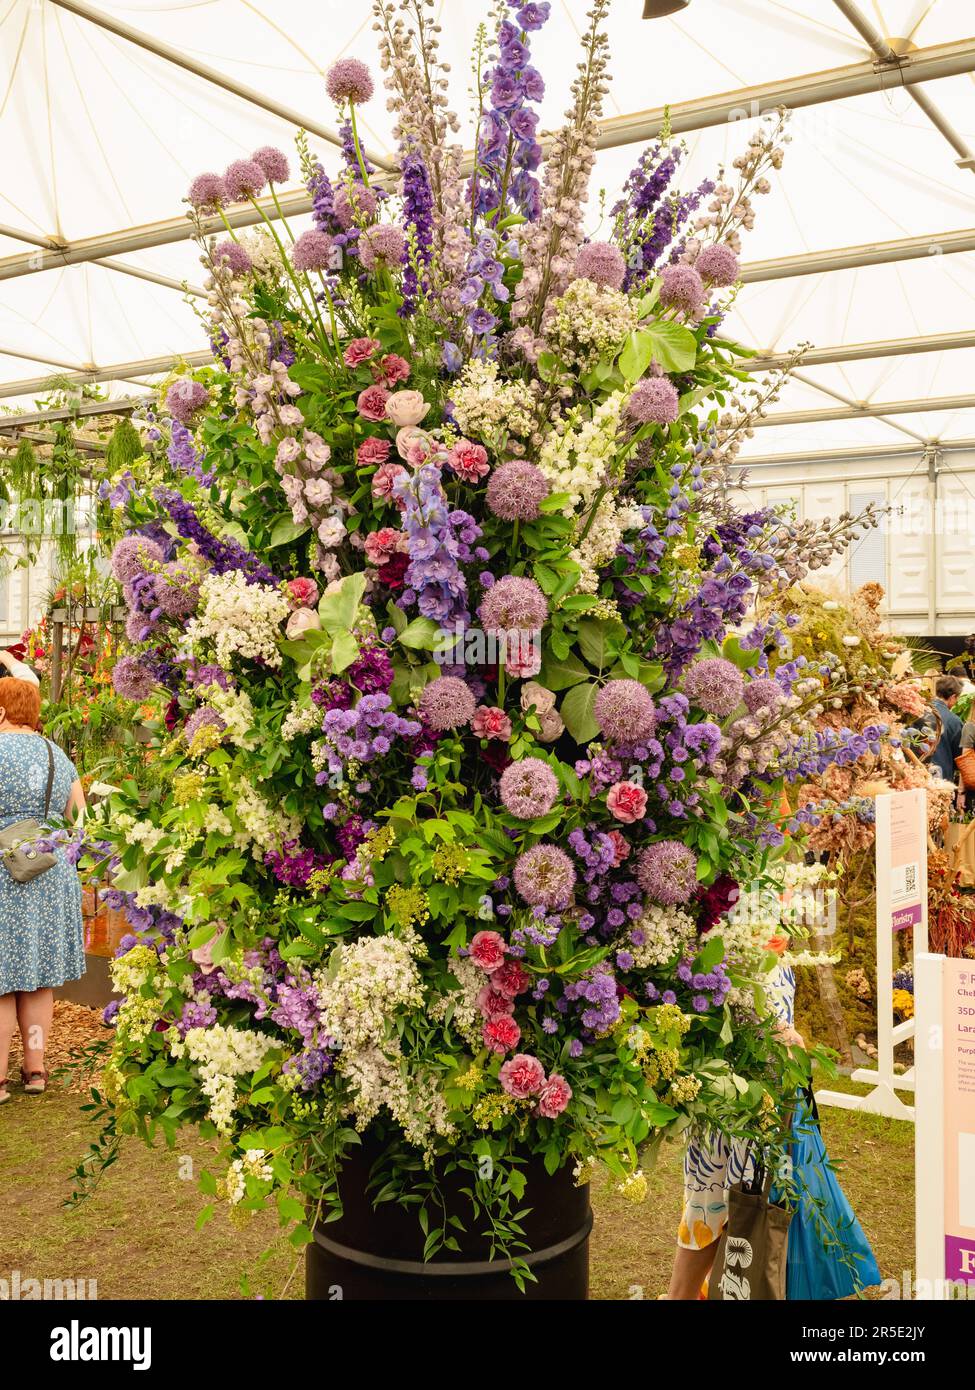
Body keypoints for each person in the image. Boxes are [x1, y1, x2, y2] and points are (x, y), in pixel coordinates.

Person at [666, 957, 800, 1299]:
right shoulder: (731, 926)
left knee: (750, 1203)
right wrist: (769, 1029)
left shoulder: (781, 934)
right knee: (710, 1201)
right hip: (728, 1080)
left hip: (765, 1086)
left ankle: (714, 1288)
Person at [0, 667, 85, 1104]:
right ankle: (34, 1071)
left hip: (1, 875)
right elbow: (80, 821)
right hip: (49, 874)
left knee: (1, 982)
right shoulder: (58, 755)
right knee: (36, 980)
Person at [930, 674, 963, 785]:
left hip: (914, 773)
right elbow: (960, 756)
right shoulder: (954, 721)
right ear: (953, 697)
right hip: (941, 778)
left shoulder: (917, 712)